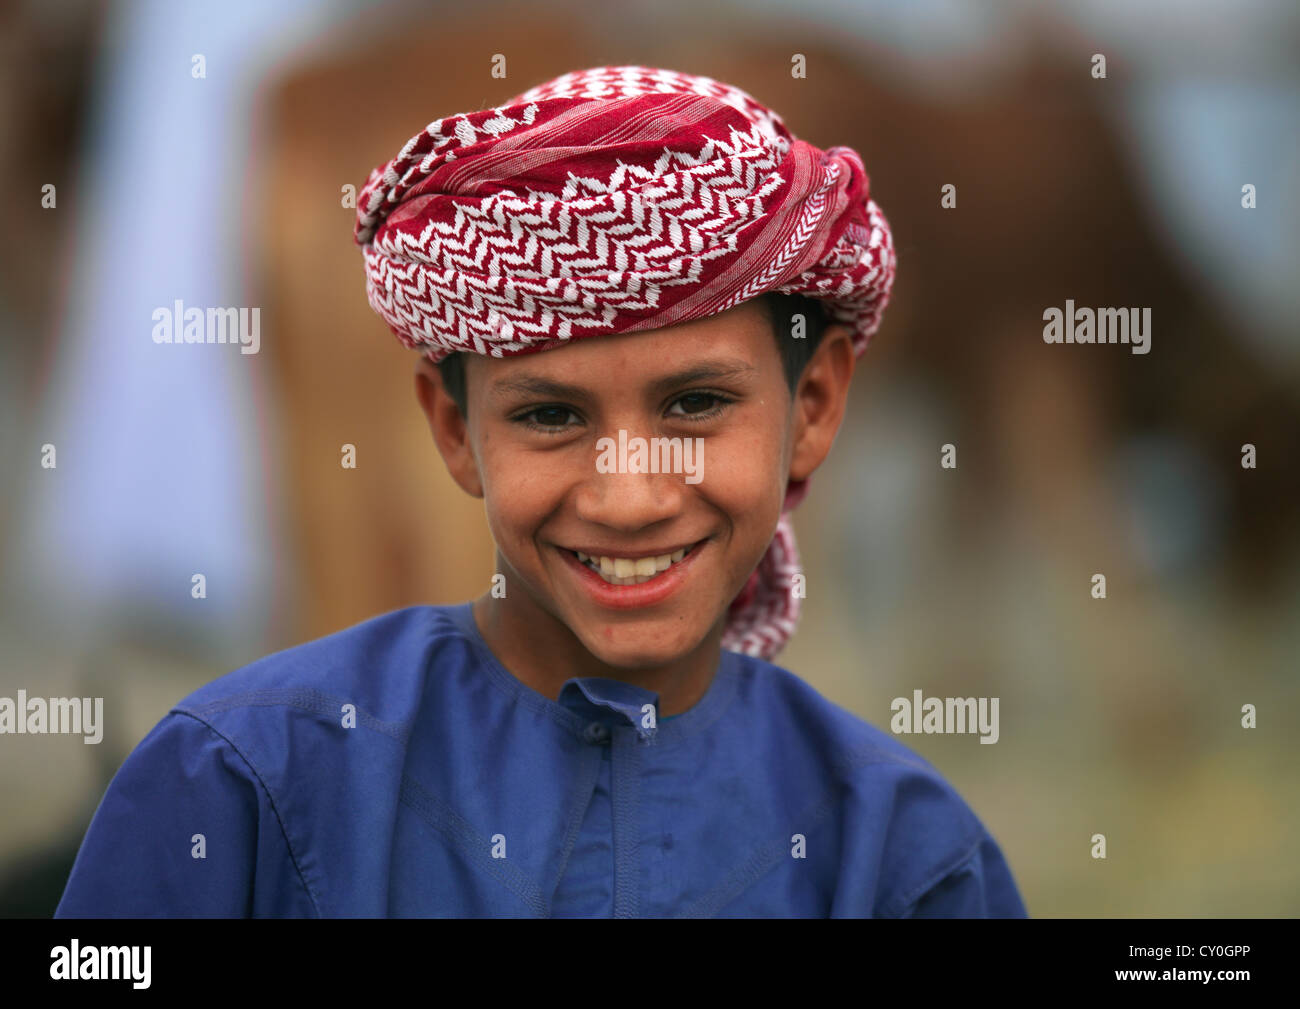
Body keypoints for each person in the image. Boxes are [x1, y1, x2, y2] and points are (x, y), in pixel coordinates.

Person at [55, 65, 1026, 917]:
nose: (630, 498)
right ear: (453, 429)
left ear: (812, 404)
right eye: (551, 418)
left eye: (694, 404)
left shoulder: (902, 857)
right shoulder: (240, 780)